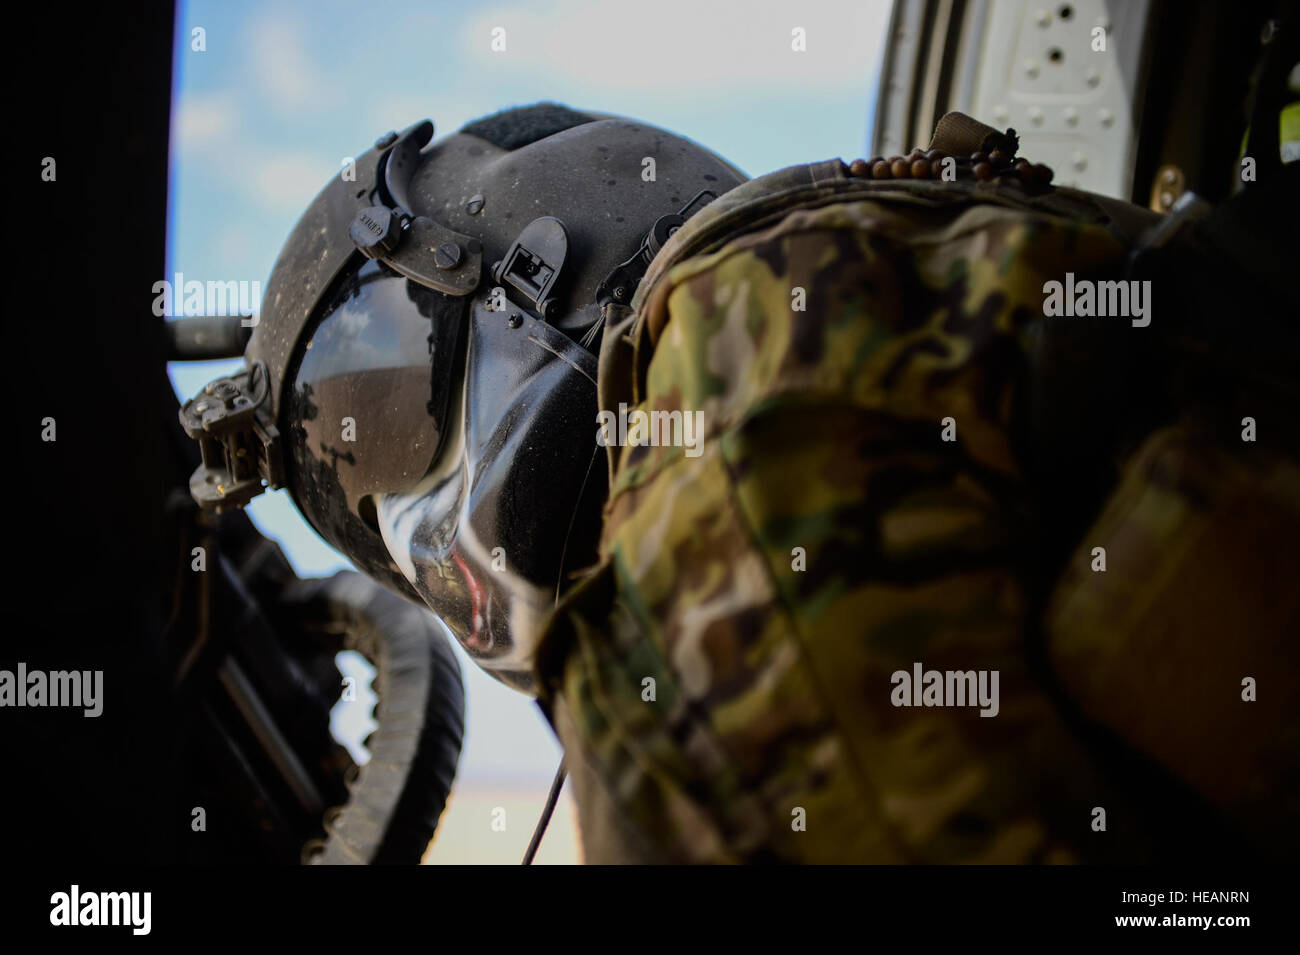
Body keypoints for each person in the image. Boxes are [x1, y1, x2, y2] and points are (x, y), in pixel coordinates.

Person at [183, 102, 1300, 864]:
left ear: (511, 249)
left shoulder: (729, 397)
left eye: (373, 422)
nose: (402, 522)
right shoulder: (885, 259)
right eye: (359, 503)